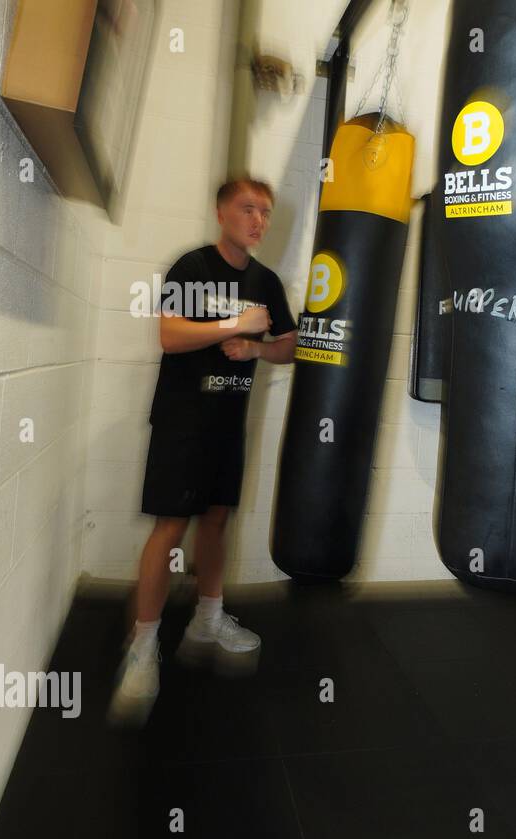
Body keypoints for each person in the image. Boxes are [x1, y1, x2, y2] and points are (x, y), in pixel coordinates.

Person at [111, 177, 297, 719]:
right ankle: (142, 646)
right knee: (170, 527)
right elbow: (169, 335)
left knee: (216, 520)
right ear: (221, 212)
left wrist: (257, 349)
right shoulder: (191, 268)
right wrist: (231, 325)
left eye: (265, 211)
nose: (258, 220)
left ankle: (207, 619)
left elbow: (287, 347)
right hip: (181, 421)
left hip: (226, 424)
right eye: (247, 209)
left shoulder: (266, 280)